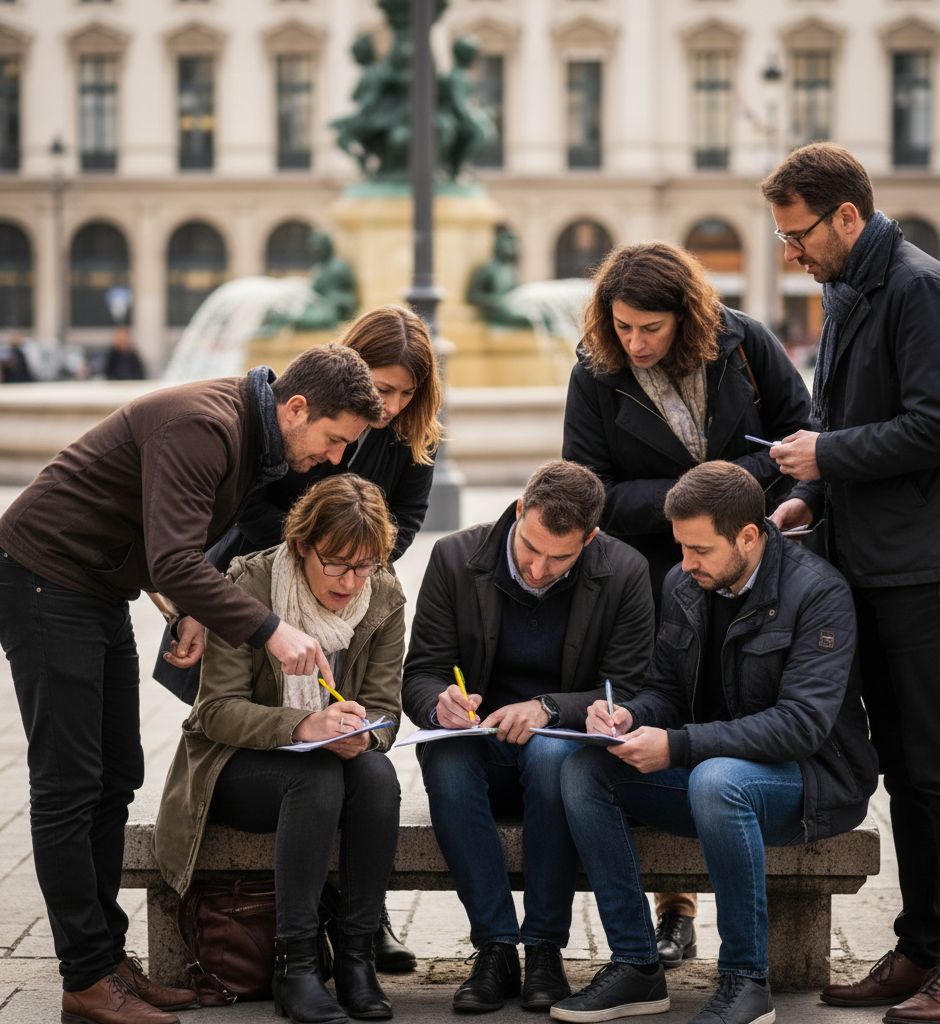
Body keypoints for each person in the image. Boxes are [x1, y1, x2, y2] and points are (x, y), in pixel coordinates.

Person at [0, 344, 383, 1024]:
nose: (334, 458)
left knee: (117, 774)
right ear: (296, 408)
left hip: (96, 586)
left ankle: (107, 959)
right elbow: (175, 557)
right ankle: (85, 977)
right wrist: (271, 630)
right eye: (333, 440)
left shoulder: (248, 433)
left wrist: (187, 610)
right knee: (69, 784)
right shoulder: (205, 426)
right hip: (44, 579)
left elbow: (156, 536)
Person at [154, 303, 442, 970]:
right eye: (383, 388)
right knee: (271, 736)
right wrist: (290, 565)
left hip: (345, 585)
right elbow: (247, 506)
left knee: (353, 767)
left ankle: (361, 920)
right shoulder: (304, 417)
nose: (391, 406)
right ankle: (295, 932)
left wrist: (356, 567)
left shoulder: (414, 437)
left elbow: (406, 520)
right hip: (270, 579)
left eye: (407, 393)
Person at [552, 461, 877, 1024]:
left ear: (748, 536)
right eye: (681, 547)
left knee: (717, 780)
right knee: (584, 768)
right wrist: (628, 716)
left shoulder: (818, 592)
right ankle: (636, 966)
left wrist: (677, 747)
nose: (685, 562)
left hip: (812, 782)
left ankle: (746, 981)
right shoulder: (684, 583)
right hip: (714, 772)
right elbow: (665, 692)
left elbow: (801, 724)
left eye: (700, 549)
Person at [562, 240, 812, 963]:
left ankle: (729, 896)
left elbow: (802, 435)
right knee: (662, 718)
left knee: (737, 716)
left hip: (755, 563)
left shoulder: (744, 343)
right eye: (622, 327)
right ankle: (673, 908)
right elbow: (591, 490)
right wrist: (692, 500)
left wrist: (739, 487)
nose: (635, 343)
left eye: (651, 328)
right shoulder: (595, 369)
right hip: (652, 576)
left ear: (687, 315)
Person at [761, 142, 940, 1022]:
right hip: (867, 562)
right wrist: (807, 496)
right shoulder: (845, 288)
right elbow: (840, 418)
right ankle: (920, 948)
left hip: (921, 572)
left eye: (798, 235)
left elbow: (932, 427)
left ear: (847, 215)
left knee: (934, 771)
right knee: (907, 772)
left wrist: (826, 455)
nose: (791, 252)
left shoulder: (917, 287)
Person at [402, 459, 655, 1014]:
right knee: (445, 757)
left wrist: (549, 709)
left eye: (559, 558)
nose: (539, 569)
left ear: (590, 538)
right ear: (519, 511)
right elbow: (421, 672)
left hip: (562, 758)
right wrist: (439, 703)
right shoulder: (454, 557)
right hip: (480, 749)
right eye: (530, 549)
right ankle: (495, 948)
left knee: (551, 754)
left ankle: (544, 948)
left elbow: (631, 688)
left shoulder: (626, 570)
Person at [155, 475, 405, 1024]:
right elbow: (216, 710)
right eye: (335, 564)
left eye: (364, 566)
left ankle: (358, 957)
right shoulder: (249, 584)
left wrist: (365, 733)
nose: (350, 582)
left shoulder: (384, 594)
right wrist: (304, 726)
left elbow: (386, 706)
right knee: (314, 776)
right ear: (301, 545)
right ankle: (296, 966)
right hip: (232, 764)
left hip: (330, 761)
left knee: (378, 776)